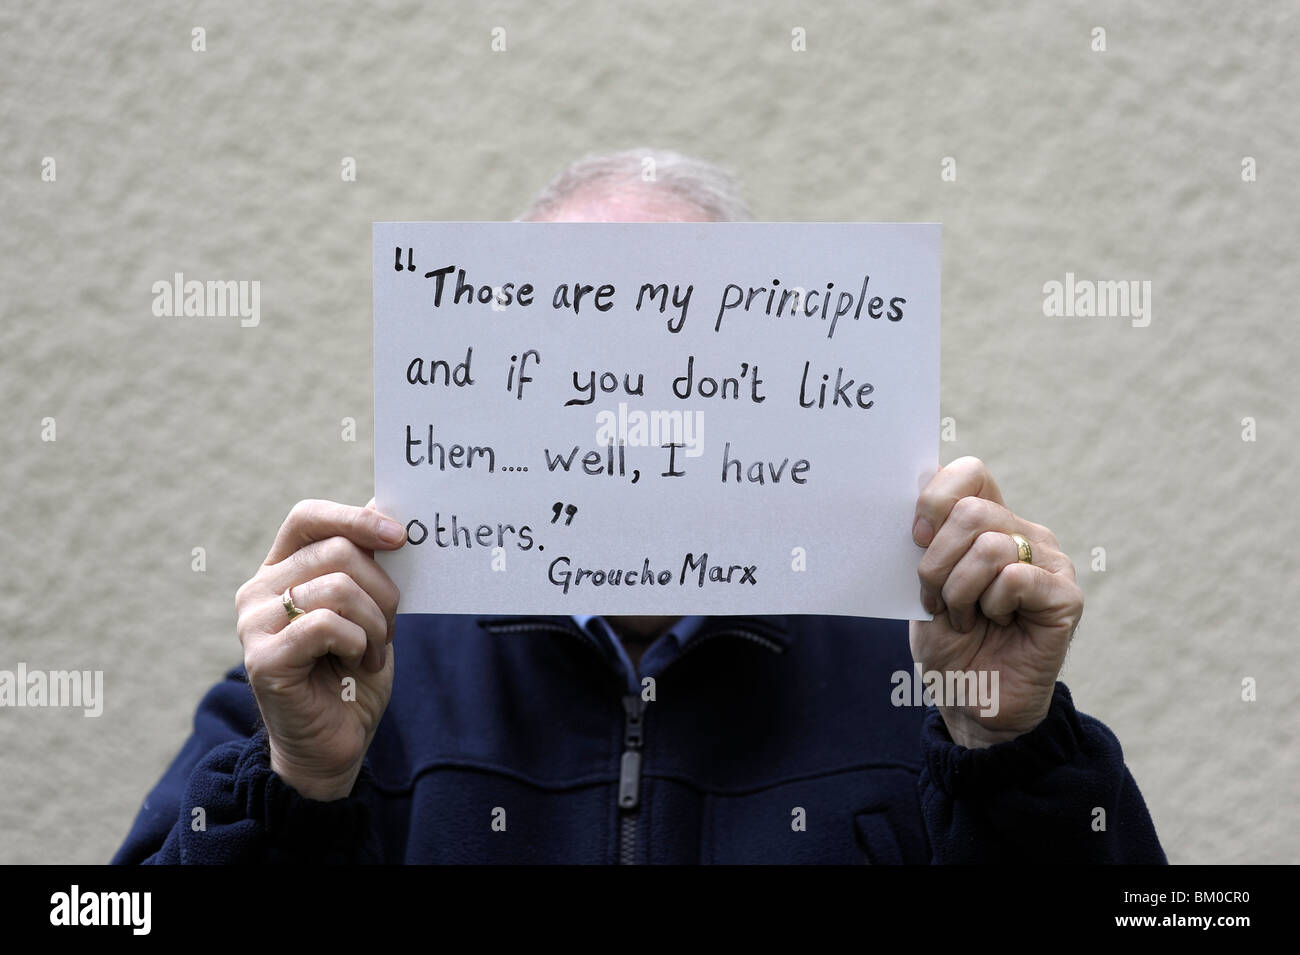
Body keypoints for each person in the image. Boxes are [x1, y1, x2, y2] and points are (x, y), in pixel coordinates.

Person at [112, 149, 1166, 864]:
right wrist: (296, 783)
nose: (631, 397)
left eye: (690, 343)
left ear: (767, 376)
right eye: (577, 336)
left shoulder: (925, 682)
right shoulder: (338, 677)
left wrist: (1007, 750)